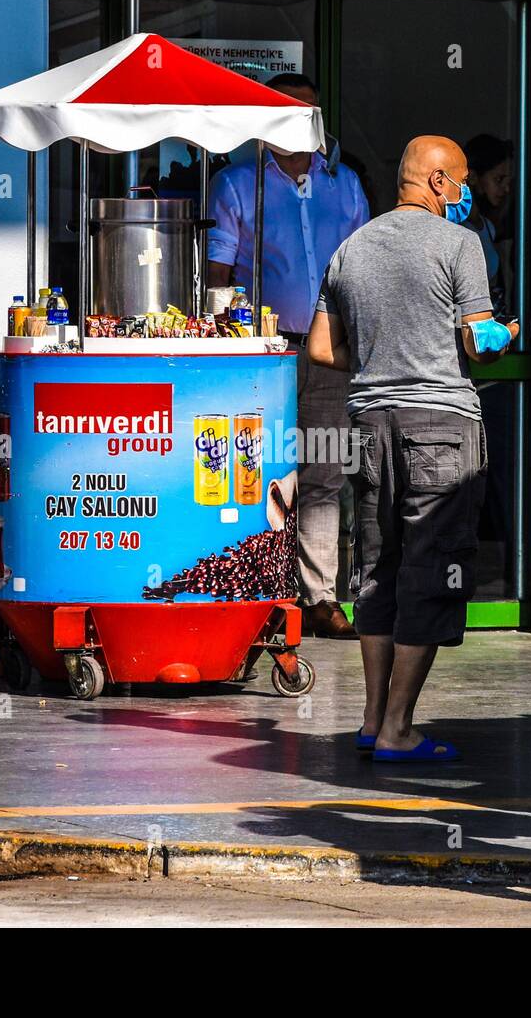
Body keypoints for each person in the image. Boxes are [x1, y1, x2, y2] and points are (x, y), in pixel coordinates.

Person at [307, 136, 517, 761]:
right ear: (436, 182)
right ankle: (399, 729)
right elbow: (478, 344)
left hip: (369, 424)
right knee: (431, 571)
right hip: (442, 426)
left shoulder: (350, 248)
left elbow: (320, 349)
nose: (466, 194)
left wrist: (376, 360)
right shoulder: (460, 244)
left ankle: (372, 721)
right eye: (461, 183)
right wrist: (504, 333)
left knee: (379, 573)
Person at [207, 73, 369, 640]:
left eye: (312, 112)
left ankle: (320, 598)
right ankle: (257, 592)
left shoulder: (344, 186)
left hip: (327, 354)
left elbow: (361, 271)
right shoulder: (236, 185)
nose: (304, 122)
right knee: (257, 473)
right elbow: (218, 276)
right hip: (261, 356)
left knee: (323, 475)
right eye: (291, 111)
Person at [462, 134, 513, 313]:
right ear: (474, 177)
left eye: (508, 182)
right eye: (498, 180)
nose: (506, 189)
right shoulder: (457, 229)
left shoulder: (487, 226)